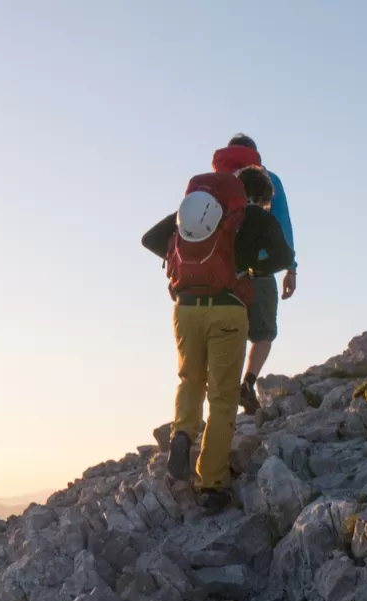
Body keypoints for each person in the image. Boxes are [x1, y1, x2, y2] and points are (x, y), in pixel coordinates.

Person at [141, 167, 294, 513]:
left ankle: (182, 435)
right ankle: (211, 483)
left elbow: (150, 239)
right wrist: (250, 264)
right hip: (228, 310)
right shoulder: (251, 217)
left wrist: (179, 260)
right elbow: (283, 258)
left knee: (190, 380)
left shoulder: (203, 208)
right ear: (262, 198)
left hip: (184, 310)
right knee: (223, 398)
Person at [210, 134, 296, 414]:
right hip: (259, 271)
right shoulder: (269, 180)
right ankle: (247, 383)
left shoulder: (217, 184)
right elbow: (282, 223)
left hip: (222, 273)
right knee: (264, 333)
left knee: (229, 333)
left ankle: (222, 395)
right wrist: (290, 269)